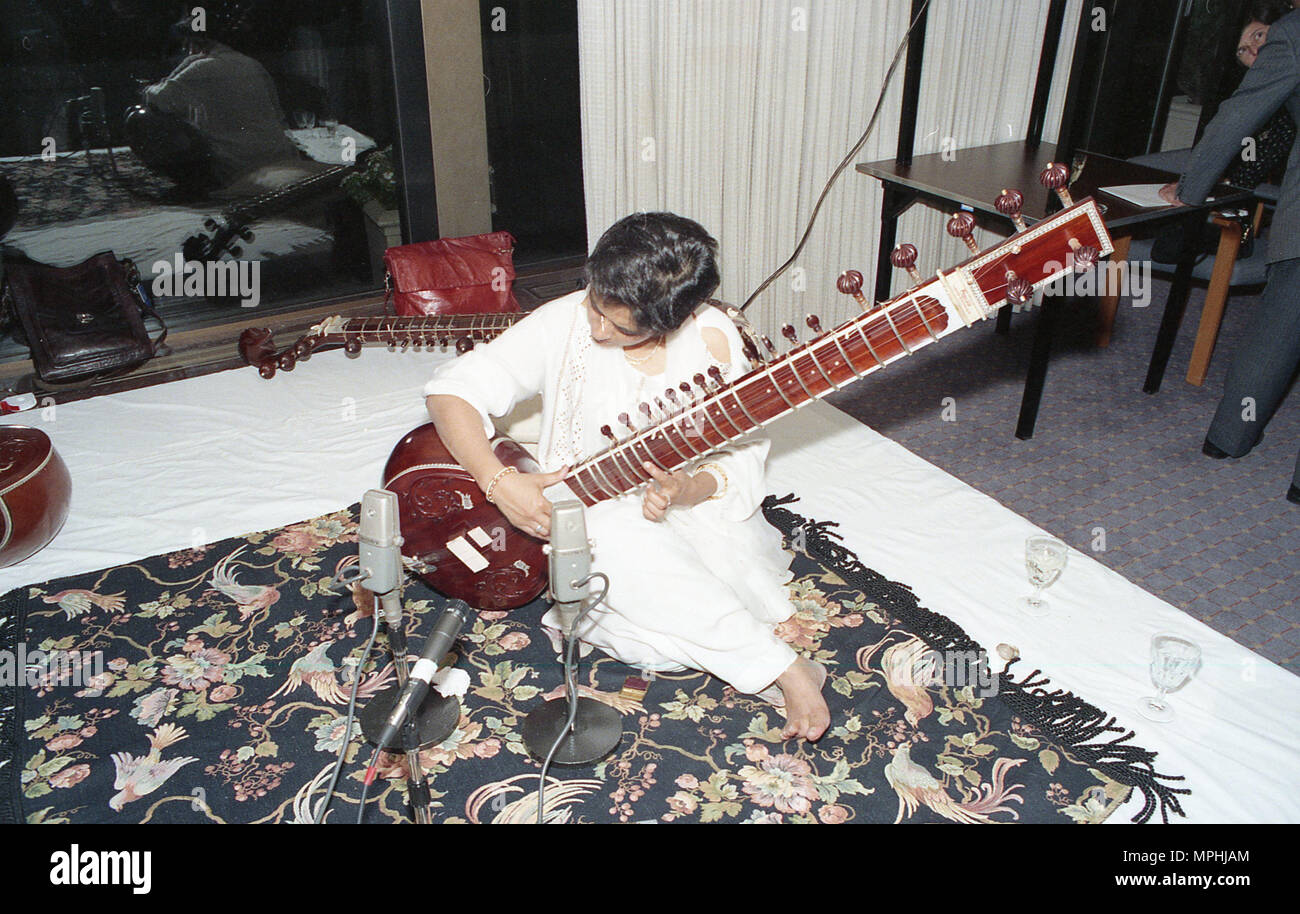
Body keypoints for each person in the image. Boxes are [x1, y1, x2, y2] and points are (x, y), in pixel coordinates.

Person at [423, 212, 831, 740]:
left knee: (643, 621)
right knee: (607, 545)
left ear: (673, 318)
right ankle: (780, 666)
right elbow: (452, 389)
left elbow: (744, 451)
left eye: (622, 327)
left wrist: (688, 489)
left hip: (688, 518)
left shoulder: (714, 339)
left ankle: (757, 656)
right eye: (596, 306)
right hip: (582, 513)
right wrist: (498, 481)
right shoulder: (563, 319)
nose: (597, 329)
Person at [1159, 8, 1300, 502]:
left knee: (1282, 325)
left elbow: (1240, 115)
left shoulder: (1294, 31)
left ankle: (1228, 438)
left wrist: (1191, 189)